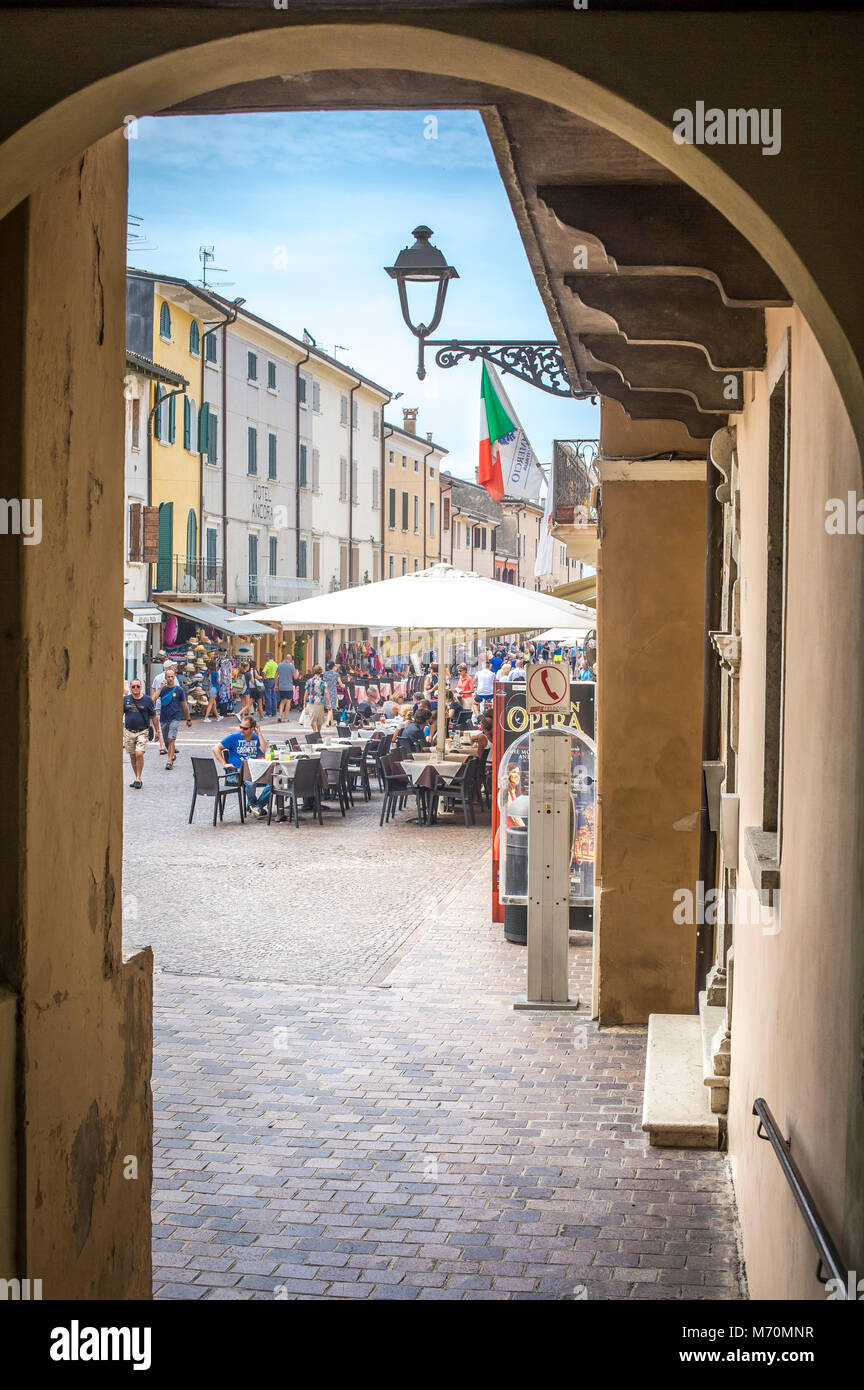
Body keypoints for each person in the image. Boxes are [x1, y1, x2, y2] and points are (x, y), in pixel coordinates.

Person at [213, 714, 271, 819]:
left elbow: (263, 750)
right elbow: (216, 749)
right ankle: (254, 805)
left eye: (245, 728)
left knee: (273, 782)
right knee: (250, 782)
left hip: (254, 771)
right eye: (240, 727)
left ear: (252, 729)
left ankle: (256, 806)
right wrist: (224, 764)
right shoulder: (234, 737)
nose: (241, 730)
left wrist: (259, 733)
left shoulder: (256, 737)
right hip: (236, 773)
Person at [122, 678, 159, 789]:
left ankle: (138, 778)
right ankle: (137, 777)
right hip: (128, 731)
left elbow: (154, 716)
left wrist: (157, 731)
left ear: (141, 687)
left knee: (139, 753)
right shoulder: (126, 700)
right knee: (132, 756)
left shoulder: (147, 700)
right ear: (131, 688)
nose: (135, 688)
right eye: (133, 686)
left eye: (138, 686)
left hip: (142, 731)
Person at [155, 667, 191, 769]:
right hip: (164, 718)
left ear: (174, 677)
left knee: (171, 739)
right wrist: (161, 687)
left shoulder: (179, 690)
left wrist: (188, 719)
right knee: (166, 741)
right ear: (165, 678)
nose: (170, 678)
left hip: (175, 717)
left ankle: (169, 761)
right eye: (168, 677)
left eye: (172, 676)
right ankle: (172, 755)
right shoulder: (163, 689)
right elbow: (153, 698)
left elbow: (184, 705)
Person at [303, 664, 332, 731]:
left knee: (312, 719)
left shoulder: (309, 681)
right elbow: (326, 692)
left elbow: (306, 692)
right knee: (320, 719)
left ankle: (314, 731)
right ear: (321, 672)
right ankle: (318, 732)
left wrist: (304, 702)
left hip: (311, 702)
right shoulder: (323, 682)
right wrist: (329, 703)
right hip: (320, 702)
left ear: (313, 671)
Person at [276, 651, 298, 722]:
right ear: (290, 659)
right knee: (288, 701)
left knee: (282, 701)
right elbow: (295, 677)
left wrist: (276, 685)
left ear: (285, 658)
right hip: (288, 686)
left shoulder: (279, 665)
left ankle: (279, 715)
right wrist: (297, 673)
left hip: (281, 686)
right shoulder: (291, 666)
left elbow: (275, 676)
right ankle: (286, 717)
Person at [203, 658, 222, 723]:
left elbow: (202, 678)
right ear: (214, 665)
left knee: (213, 703)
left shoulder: (207, 671)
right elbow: (218, 681)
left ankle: (218, 717)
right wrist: (219, 674)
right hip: (213, 688)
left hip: (208, 688)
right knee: (211, 703)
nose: (217, 665)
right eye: (216, 664)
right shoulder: (215, 673)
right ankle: (206, 717)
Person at [262, 653, 278, 719]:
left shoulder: (268, 663)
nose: (266, 658)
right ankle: (274, 712)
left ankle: (269, 712)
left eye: (266, 657)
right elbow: (277, 673)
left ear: (269, 657)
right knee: (273, 696)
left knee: (268, 696)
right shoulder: (275, 664)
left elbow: (264, 671)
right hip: (274, 680)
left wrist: (264, 678)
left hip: (268, 680)